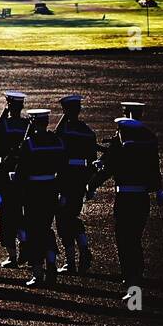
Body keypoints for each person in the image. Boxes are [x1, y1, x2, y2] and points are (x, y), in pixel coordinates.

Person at [91, 117, 163, 303]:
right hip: (141, 200)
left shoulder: (123, 151)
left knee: (125, 243)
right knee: (134, 241)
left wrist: (90, 185)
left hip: (125, 200)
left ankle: (134, 291)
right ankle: (136, 282)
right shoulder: (144, 152)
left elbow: (107, 171)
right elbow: (154, 172)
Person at [10, 109, 66, 287]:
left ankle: (37, 273)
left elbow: (22, 171)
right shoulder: (57, 141)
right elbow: (64, 168)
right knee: (47, 229)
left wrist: (15, 180)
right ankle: (51, 265)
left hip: (33, 191)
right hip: (51, 189)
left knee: (34, 232)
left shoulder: (30, 143)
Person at [55, 95, 96, 274]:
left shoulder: (64, 131)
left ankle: (71, 261)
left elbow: (57, 148)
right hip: (80, 178)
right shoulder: (87, 131)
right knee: (72, 216)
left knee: (63, 220)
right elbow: (92, 161)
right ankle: (83, 248)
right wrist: (88, 182)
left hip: (66, 178)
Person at [0, 92, 30, 268]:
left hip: (5, 176)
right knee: (22, 216)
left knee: (7, 218)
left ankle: (13, 256)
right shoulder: (27, 124)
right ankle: (25, 245)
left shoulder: (4, 125)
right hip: (25, 176)